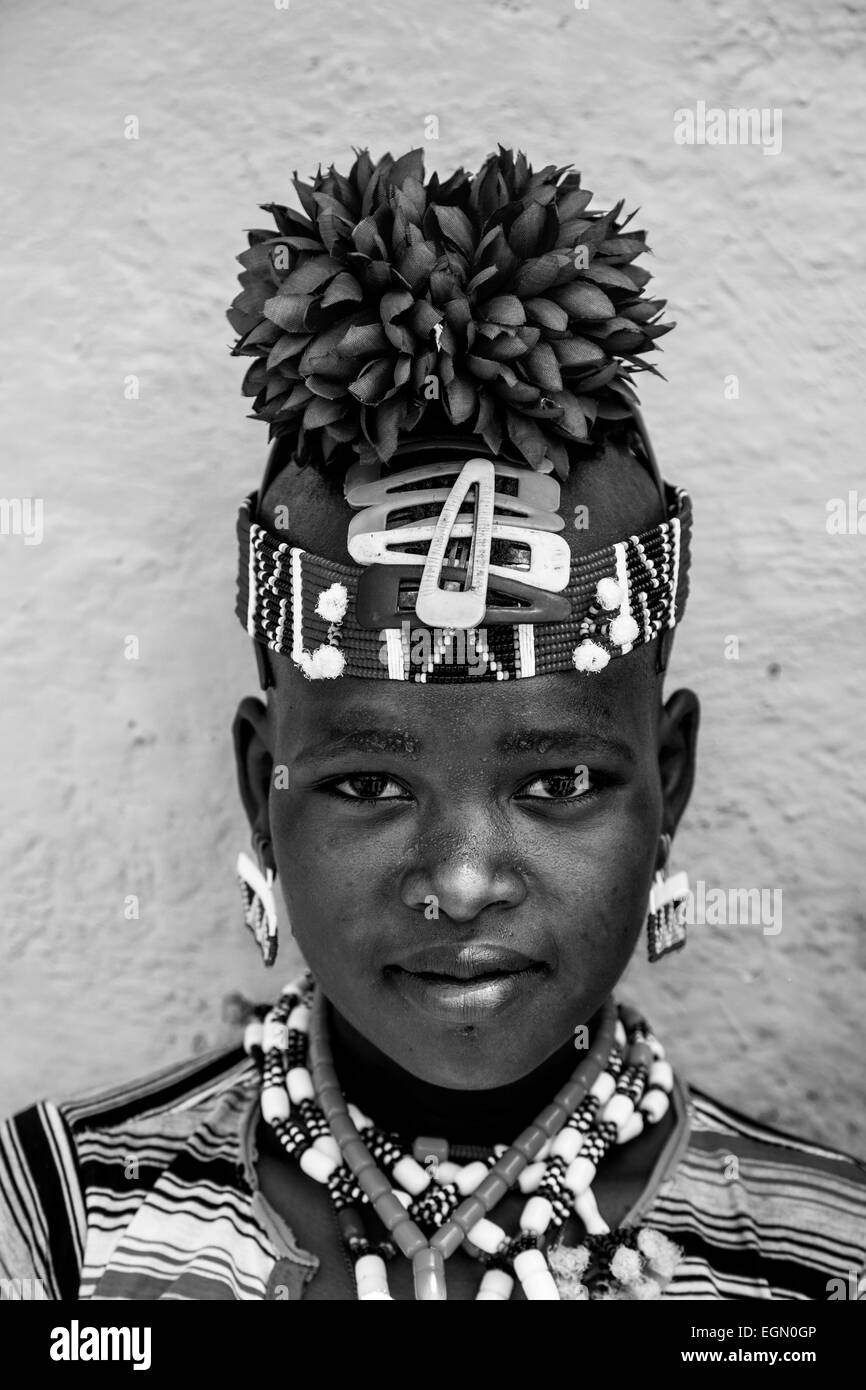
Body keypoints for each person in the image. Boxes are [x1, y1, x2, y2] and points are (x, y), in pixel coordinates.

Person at [1, 147, 864, 1302]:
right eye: (367, 782)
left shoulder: (821, 1266)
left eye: (556, 779)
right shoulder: (61, 1230)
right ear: (265, 786)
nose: (459, 884)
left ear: (669, 779)